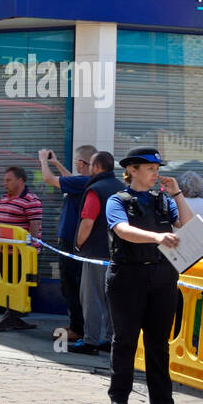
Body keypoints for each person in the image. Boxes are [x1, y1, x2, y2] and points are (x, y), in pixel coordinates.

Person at [105, 146, 191, 404]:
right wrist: (156, 238)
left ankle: (162, 403)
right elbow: (122, 230)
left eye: (157, 169)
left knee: (158, 342)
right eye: (151, 169)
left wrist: (177, 191)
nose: (156, 174)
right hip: (128, 276)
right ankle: (119, 396)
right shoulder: (118, 200)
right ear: (132, 170)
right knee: (125, 339)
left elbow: (187, 223)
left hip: (163, 277)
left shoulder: (164, 199)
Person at [39, 145, 98, 340]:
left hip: (70, 242)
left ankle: (76, 329)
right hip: (74, 241)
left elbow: (48, 179)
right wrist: (56, 163)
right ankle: (78, 326)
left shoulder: (83, 181)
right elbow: (70, 178)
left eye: (76, 162)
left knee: (70, 285)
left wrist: (43, 161)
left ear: (81, 164)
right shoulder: (84, 181)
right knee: (75, 285)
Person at [69, 151, 125, 354]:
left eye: (91, 164)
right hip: (118, 254)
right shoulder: (123, 189)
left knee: (91, 298)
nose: (88, 168)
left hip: (96, 254)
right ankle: (111, 340)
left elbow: (87, 222)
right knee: (113, 300)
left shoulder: (95, 189)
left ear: (98, 167)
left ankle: (90, 340)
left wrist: (78, 246)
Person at [0, 165, 42, 332]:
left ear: (20, 180)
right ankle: (7, 310)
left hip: (20, 255)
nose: (5, 183)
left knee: (19, 284)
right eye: (4, 180)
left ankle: (15, 315)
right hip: (3, 252)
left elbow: (34, 228)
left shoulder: (31, 200)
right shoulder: (4, 197)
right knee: (5, 282)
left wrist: (28, 251)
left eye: (8, 180)